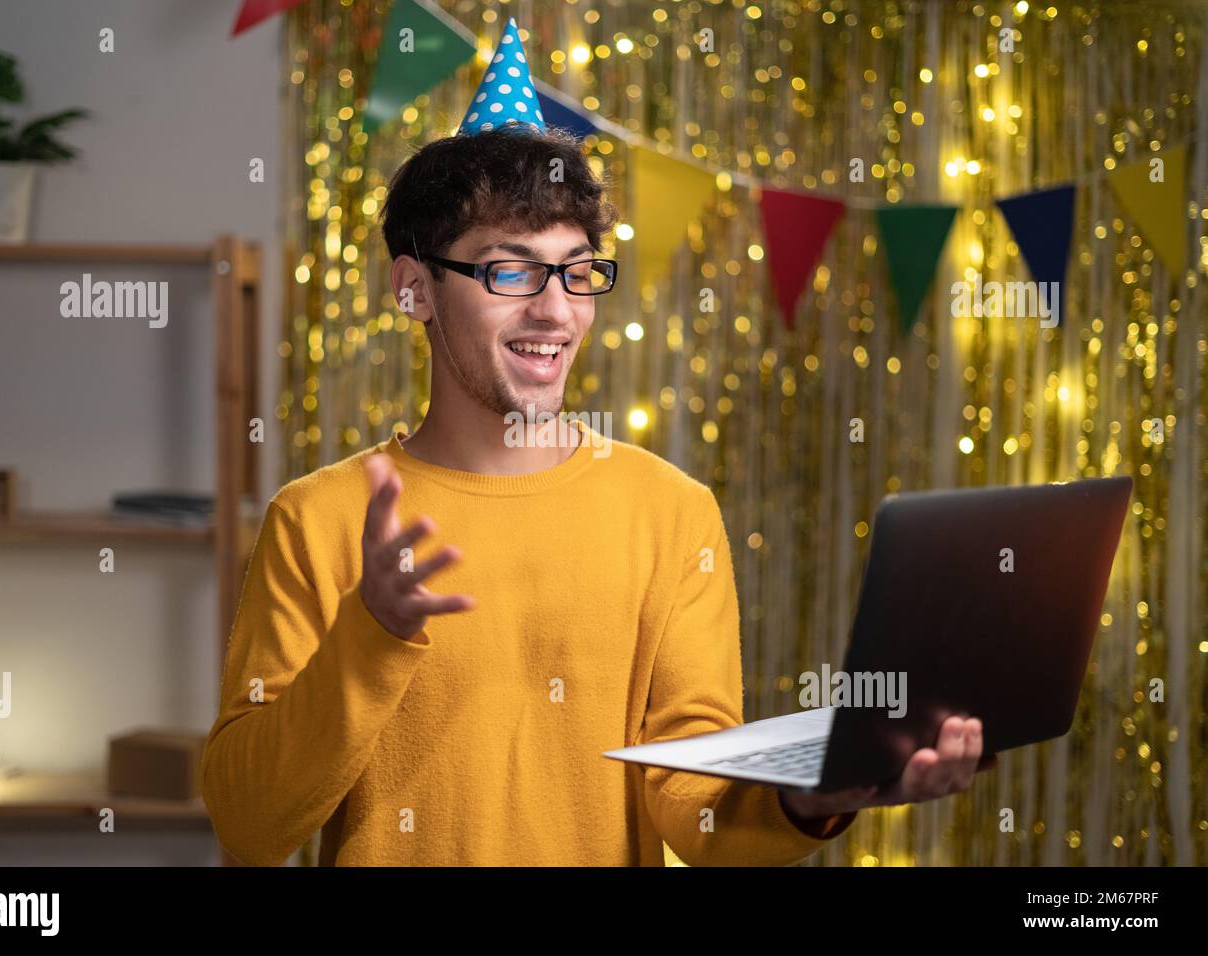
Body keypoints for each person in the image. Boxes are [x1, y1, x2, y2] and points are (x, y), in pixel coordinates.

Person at [201, 20, 990, 867]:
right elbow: (250, 826)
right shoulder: (316, 518)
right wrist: (372, 632)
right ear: (415, 289)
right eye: (510, 272)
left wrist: (817, 794)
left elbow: (692, 807)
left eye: (577, 271)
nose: (555, 310)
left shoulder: (670, 512)